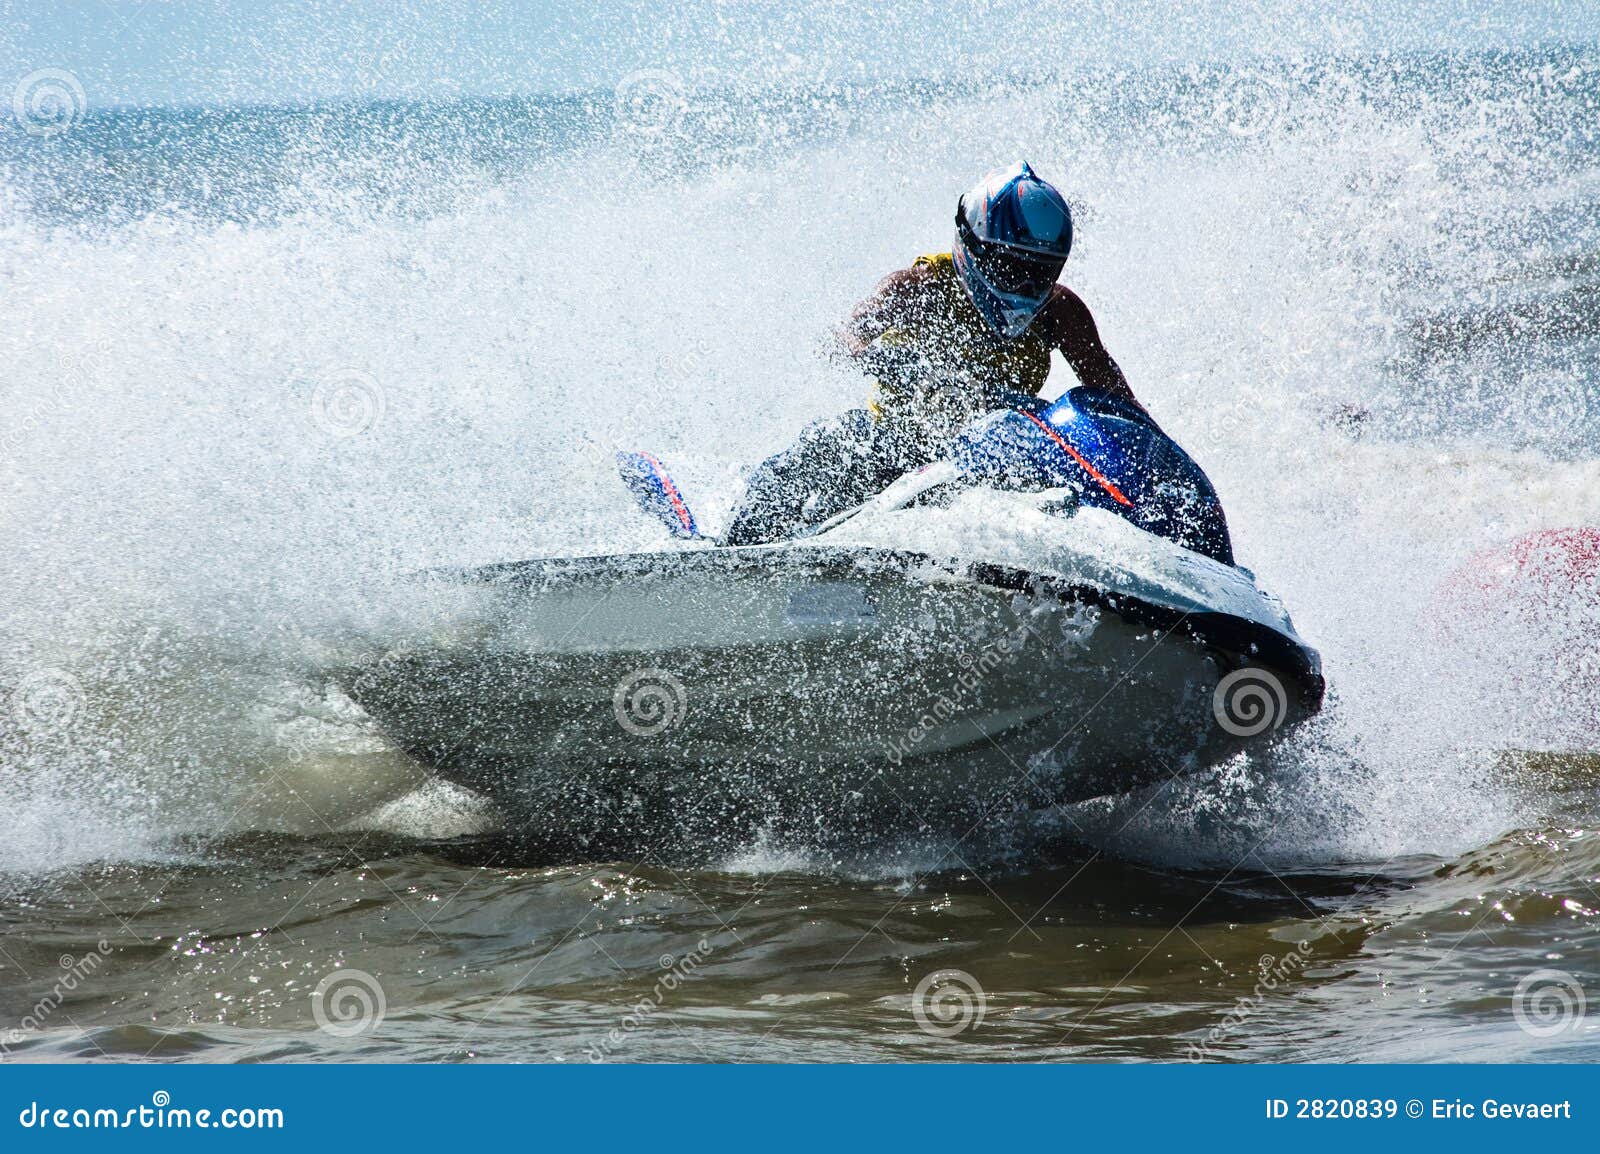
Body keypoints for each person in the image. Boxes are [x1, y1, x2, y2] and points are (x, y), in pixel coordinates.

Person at [723, 161, 1151, 546]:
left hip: (992, 459)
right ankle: (728, 556)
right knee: (810, 460)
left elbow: (1118, 403)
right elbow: (842, 343)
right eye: (1012, 268)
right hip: (888, 443)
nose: (1024, 287)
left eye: (1040, 272)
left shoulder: (1061, 312)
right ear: (972, 244)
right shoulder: (919, 286)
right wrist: (900, 367)